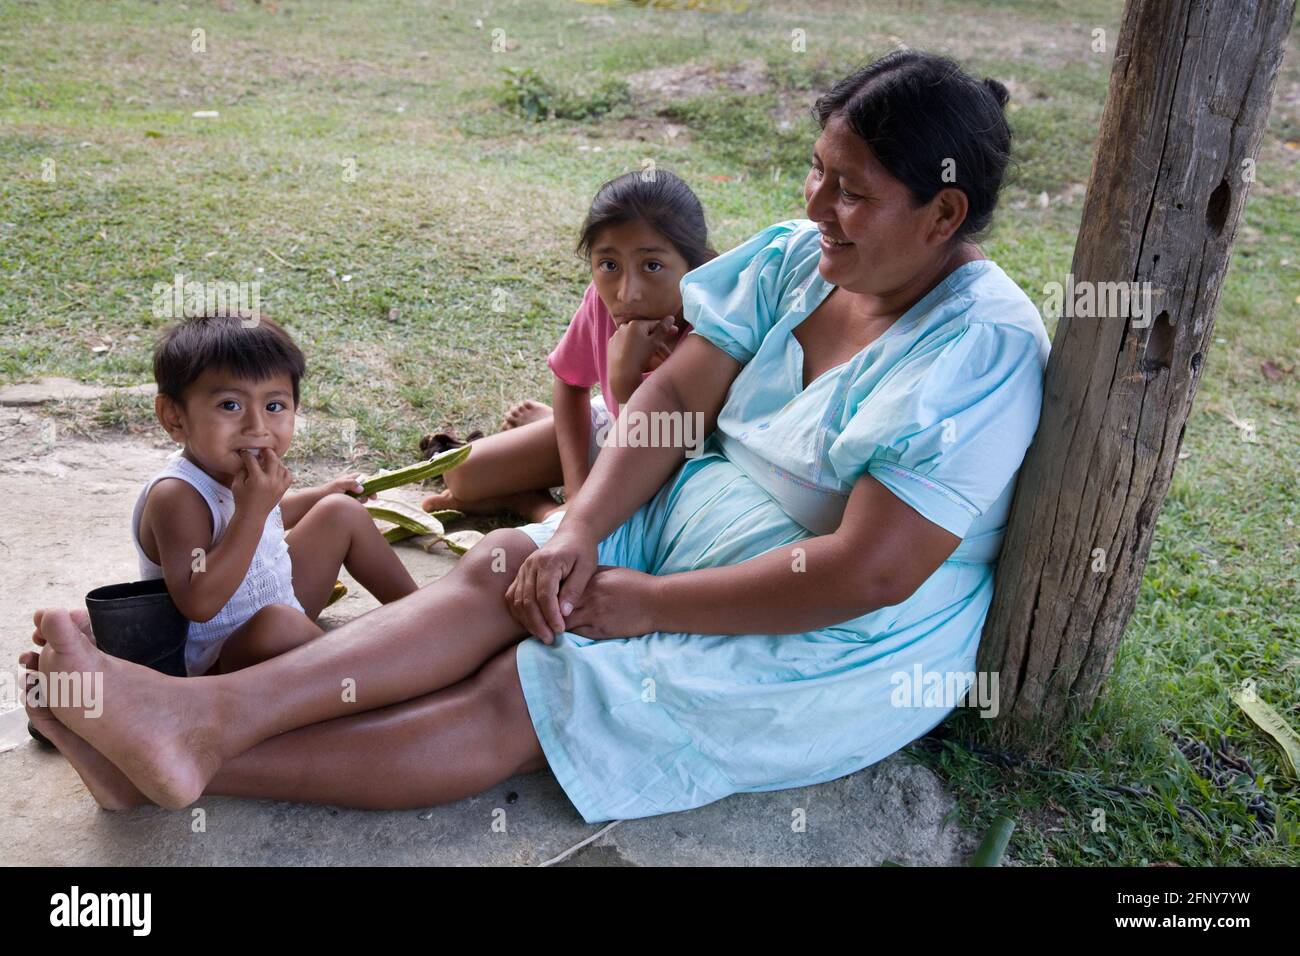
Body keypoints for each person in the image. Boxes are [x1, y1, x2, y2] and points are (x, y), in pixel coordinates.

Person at [22, 51, 1050, 824]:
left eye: (852, 191)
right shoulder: (798, 258)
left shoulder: (979, 348)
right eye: (816, 171)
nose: (815, 205)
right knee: (510, 564)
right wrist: (579, 528)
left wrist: (643, 601)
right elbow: (670, 403)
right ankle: (187, 724)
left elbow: (865, 572)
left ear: (941, 212)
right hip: (696, 528)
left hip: (823, 636)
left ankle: (193, 743)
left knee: (534, 688)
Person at [419, 169, 712, 522]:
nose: (626, 293)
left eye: (652, 265)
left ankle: (530, 504)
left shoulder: (714, 326)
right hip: (615, 425)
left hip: (678, 459)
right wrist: (576, 491)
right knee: (463, 474)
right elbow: (571, 383)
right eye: (608, 264)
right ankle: (571, 430)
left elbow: (683, 451)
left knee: (612, 526)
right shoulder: (604, 303)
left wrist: (626, 385)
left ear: (699, 265)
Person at [135, 313, 417, 675]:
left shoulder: (242, 478)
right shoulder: (177, 496)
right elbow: (198, 601)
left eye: (274, 406)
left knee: (338, 512)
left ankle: (425, 618)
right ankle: (369, 676)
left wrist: (320, 494)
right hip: (218, 665)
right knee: (277, 624)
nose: (257, 426)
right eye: (230, 405)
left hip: (281, 608)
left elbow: (271, 513)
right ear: (174, 417)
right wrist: (251, 512)